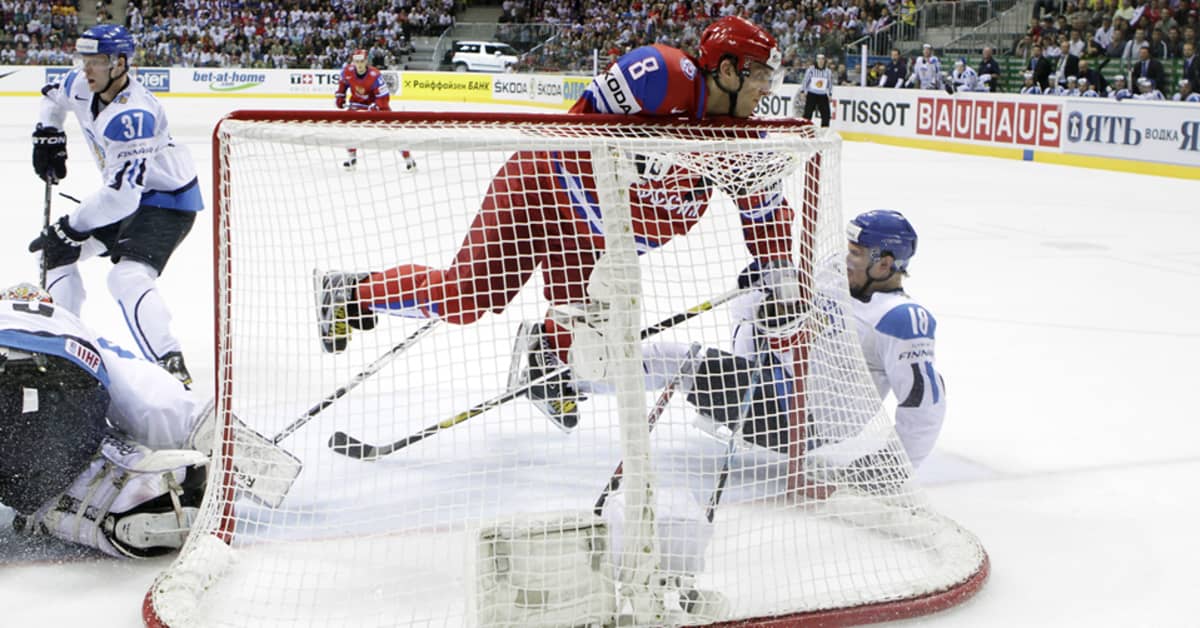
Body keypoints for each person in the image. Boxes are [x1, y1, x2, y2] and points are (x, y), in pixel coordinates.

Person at [315, 16, 795, 430]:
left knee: (590, 341)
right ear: (729, 70)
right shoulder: (663, 73)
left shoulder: (742, 142)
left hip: (593, 242)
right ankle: (351, 292)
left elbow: (767, 214)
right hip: (542, 191)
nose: (766, 90)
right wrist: (625, 149)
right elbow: (580, 123)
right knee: (467, 298)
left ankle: (544, 356)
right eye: (761, 77)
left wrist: (779, 275)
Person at [28, 24, 202, 387]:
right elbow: (51, 97)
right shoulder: (81, 84)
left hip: (166, 200)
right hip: (126, 197)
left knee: (127, 276)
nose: (87, 69)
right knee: (55, 253)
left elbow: (122, 198)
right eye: (85, 60)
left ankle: (170, 365)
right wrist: (49, 133)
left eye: (98, 61)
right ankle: (63, 348)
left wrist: (71, 225)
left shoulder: (132, 116)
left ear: (121, 63)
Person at [0, 282, 206, 558]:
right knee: (57, 472)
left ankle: (48, 502)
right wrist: (197, 428)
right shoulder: (70, 324)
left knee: (25, 474)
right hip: (67, 388)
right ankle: (110, 500)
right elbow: (148, 400)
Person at [842, 210, 943, 469]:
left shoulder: (899, 317)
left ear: (883, 264)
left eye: (856, 253)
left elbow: (923, 405)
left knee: (719, 373)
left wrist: (894, 470)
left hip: (814, 426)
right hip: (782, 397)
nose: (846, 260)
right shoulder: (836, 285)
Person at [335, 48, 416, 172]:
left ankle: (409, 159)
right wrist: (340, 97)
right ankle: (352, 159)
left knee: (392, 130)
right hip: (356, 104)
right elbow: (342, 85)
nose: (359, 64)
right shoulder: (347, 71)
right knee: (348, 129)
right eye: (357, 61)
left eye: (362, 61)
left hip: (376, 106)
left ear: (366, 61)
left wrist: (376, 107)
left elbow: (383, 97)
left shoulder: (375, 75)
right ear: (353, 61)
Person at [800, 53, 833, 127]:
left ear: (824, 61)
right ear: (816, 60)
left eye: (822, 59)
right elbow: (805, 81)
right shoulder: (811, 70)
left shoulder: (828, 72)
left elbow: (830, 84)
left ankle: (824, 130)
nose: (821, 61)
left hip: (823, 94)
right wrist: (803, 91)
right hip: (812, 94)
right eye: (819, 59)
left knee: (826, 114)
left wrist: (830, 94)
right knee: (808, 113)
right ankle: (805, 129)